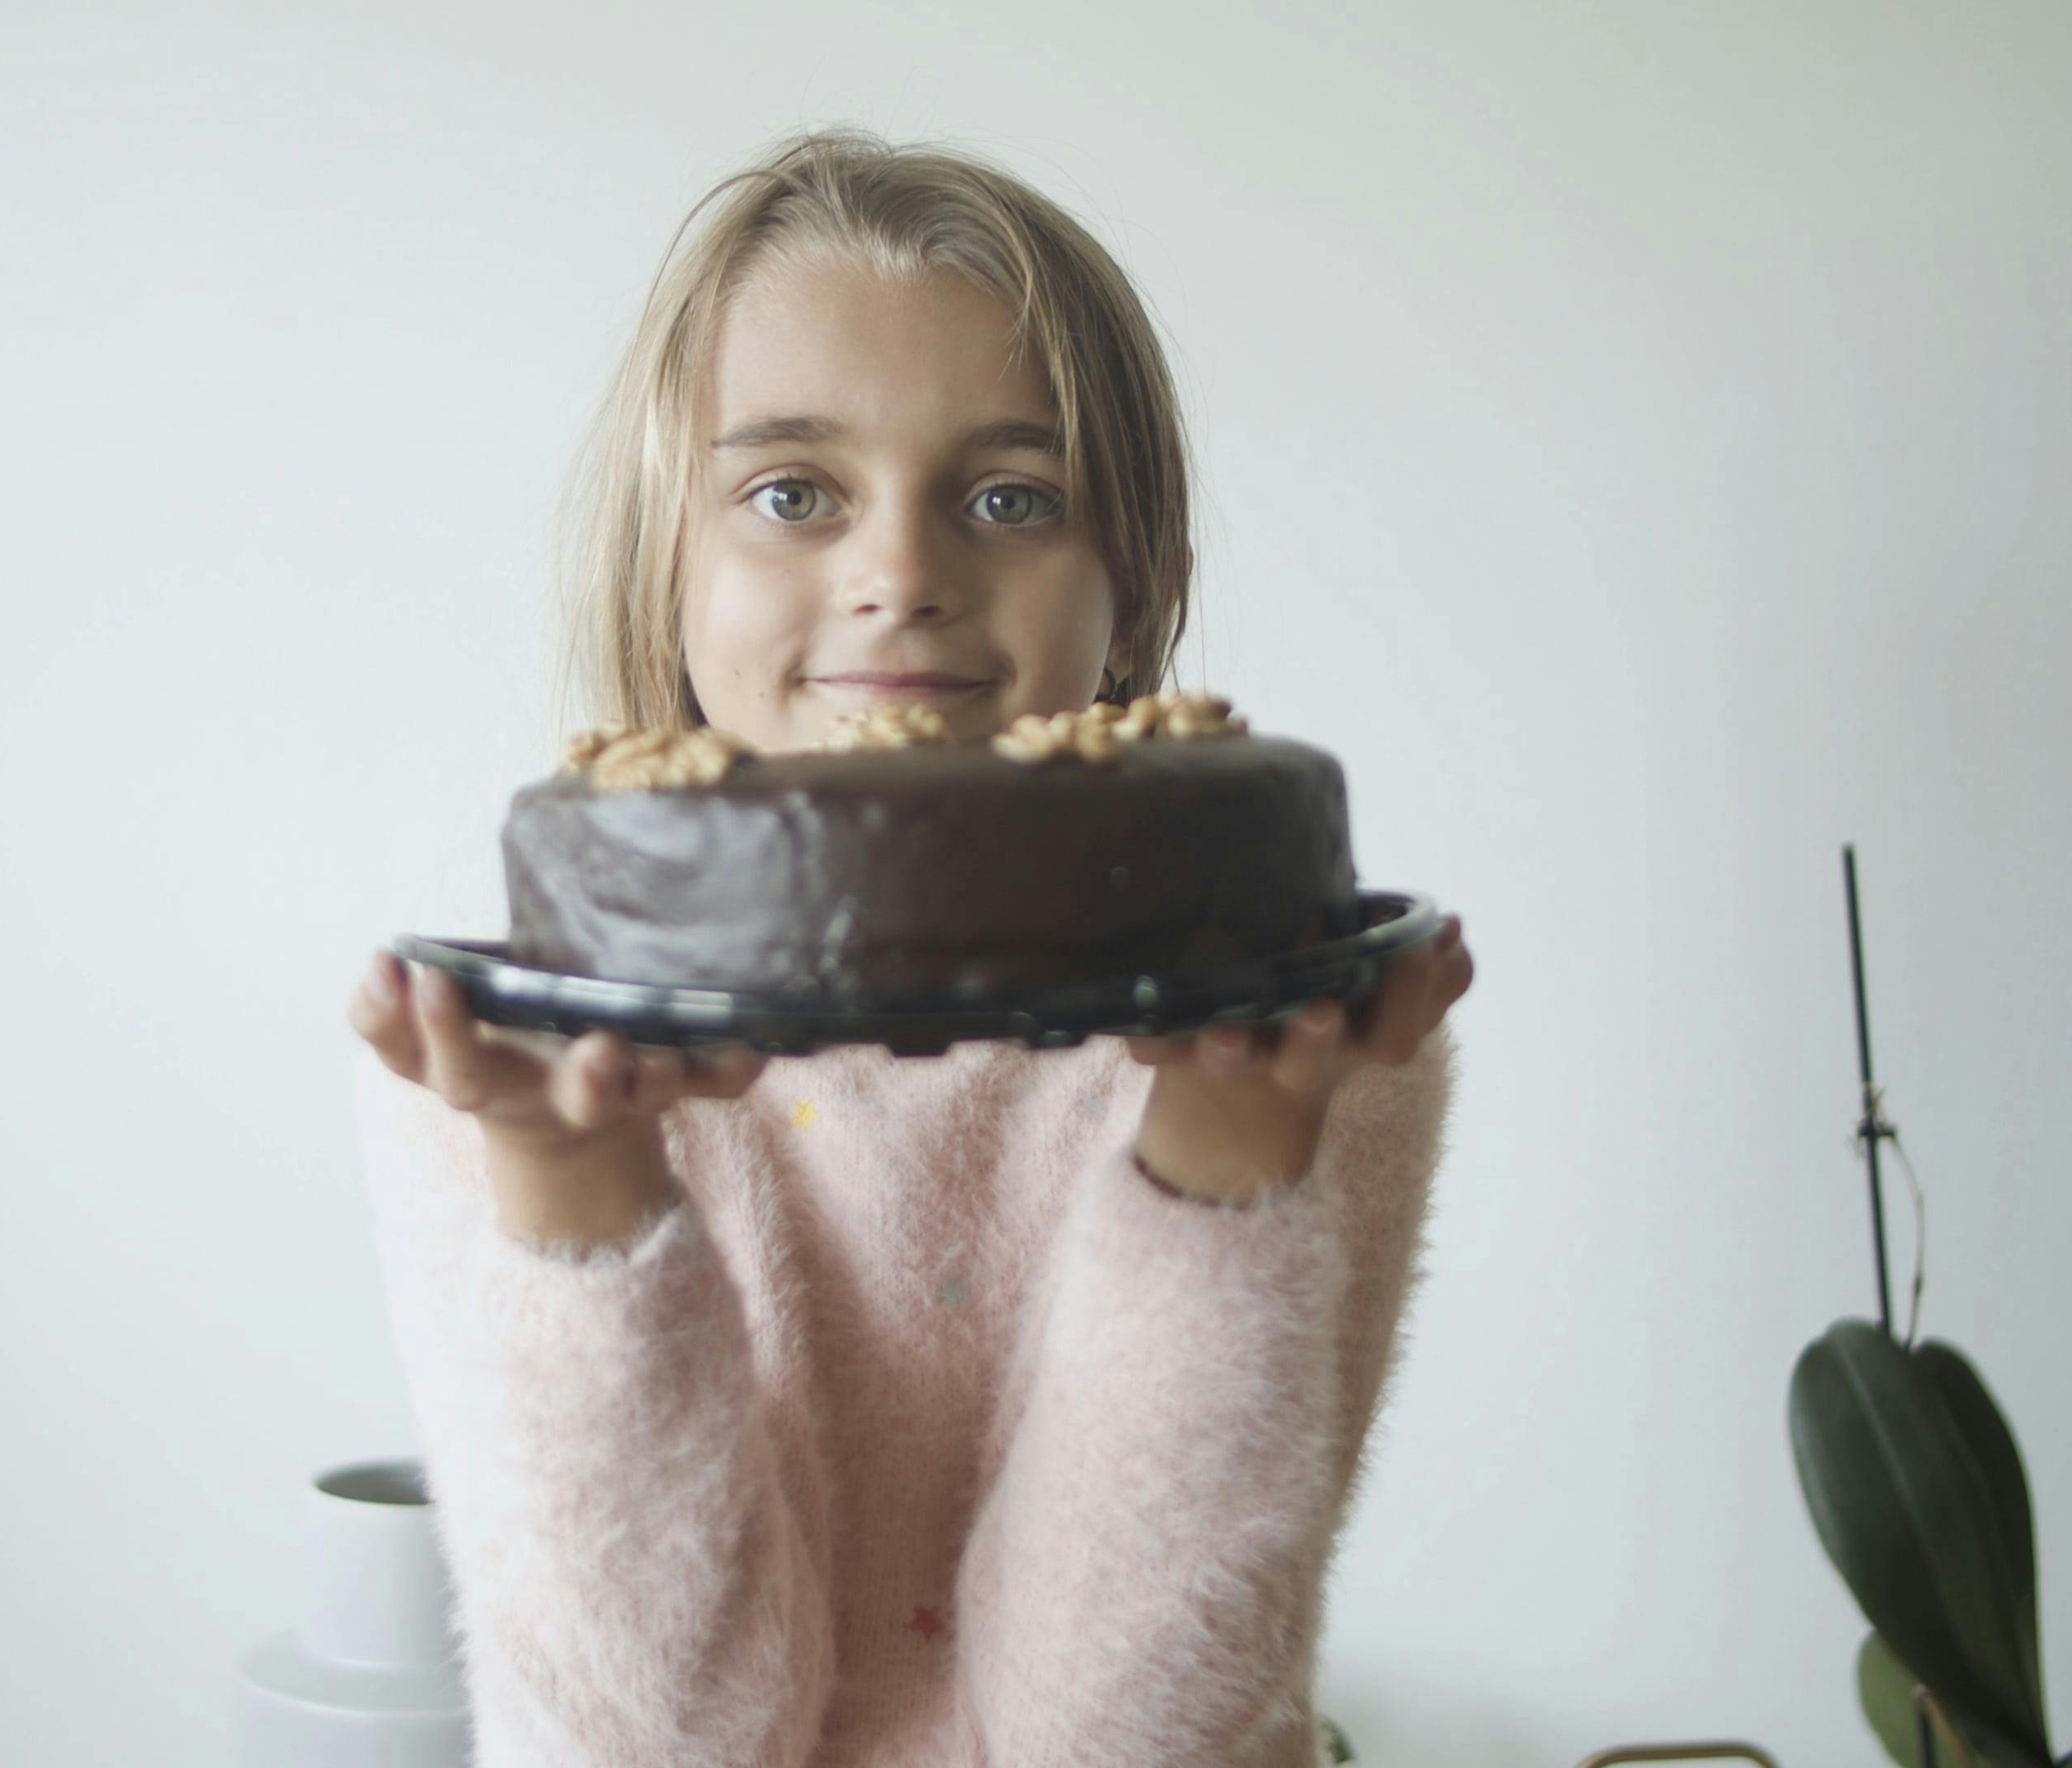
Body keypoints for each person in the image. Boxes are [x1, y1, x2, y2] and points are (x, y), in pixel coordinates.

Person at [344, 124, 1475, 1767]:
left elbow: (1129, 1744)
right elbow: (655, 1746)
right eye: (792, 493)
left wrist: (1227, 1169)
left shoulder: (1302, 1035)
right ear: (669, 563)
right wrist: (583, 1211)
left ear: (1134, 587)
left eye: (1010, 496)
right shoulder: (508, 1062)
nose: (899, 576)